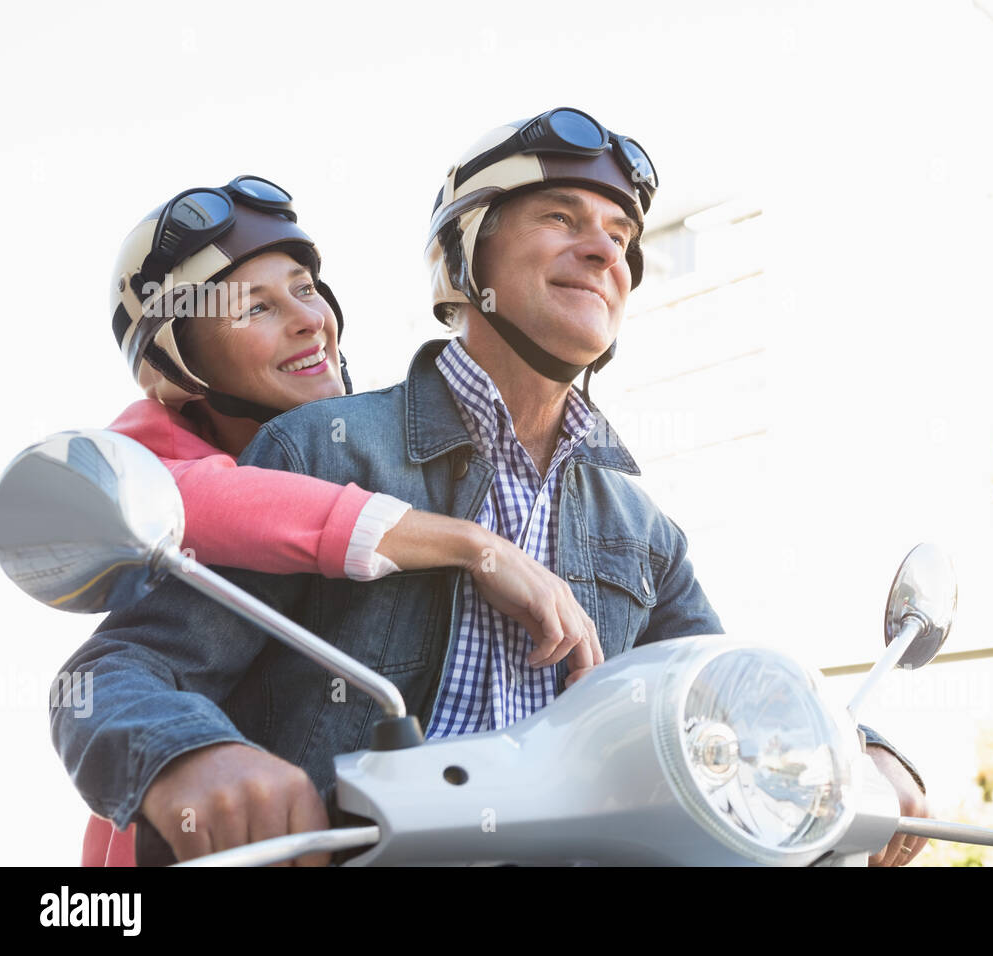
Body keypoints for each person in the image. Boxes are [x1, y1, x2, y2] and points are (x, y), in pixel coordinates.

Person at [53, 110, 927, 866]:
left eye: (620, 238)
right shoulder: (321, 450)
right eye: (560, 216)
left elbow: (726, 709)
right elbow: (114, 672)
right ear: (469, 261)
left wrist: (866, 752)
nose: (603, 250)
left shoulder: (642, 525)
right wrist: (189, 758)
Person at [81, 176, 602, 865]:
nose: (306, 320)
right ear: (175, 369)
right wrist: (478, 548)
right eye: (254, 308)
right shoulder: (149, 467)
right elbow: (224, 504)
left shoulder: (372, 456)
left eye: (304, 289)